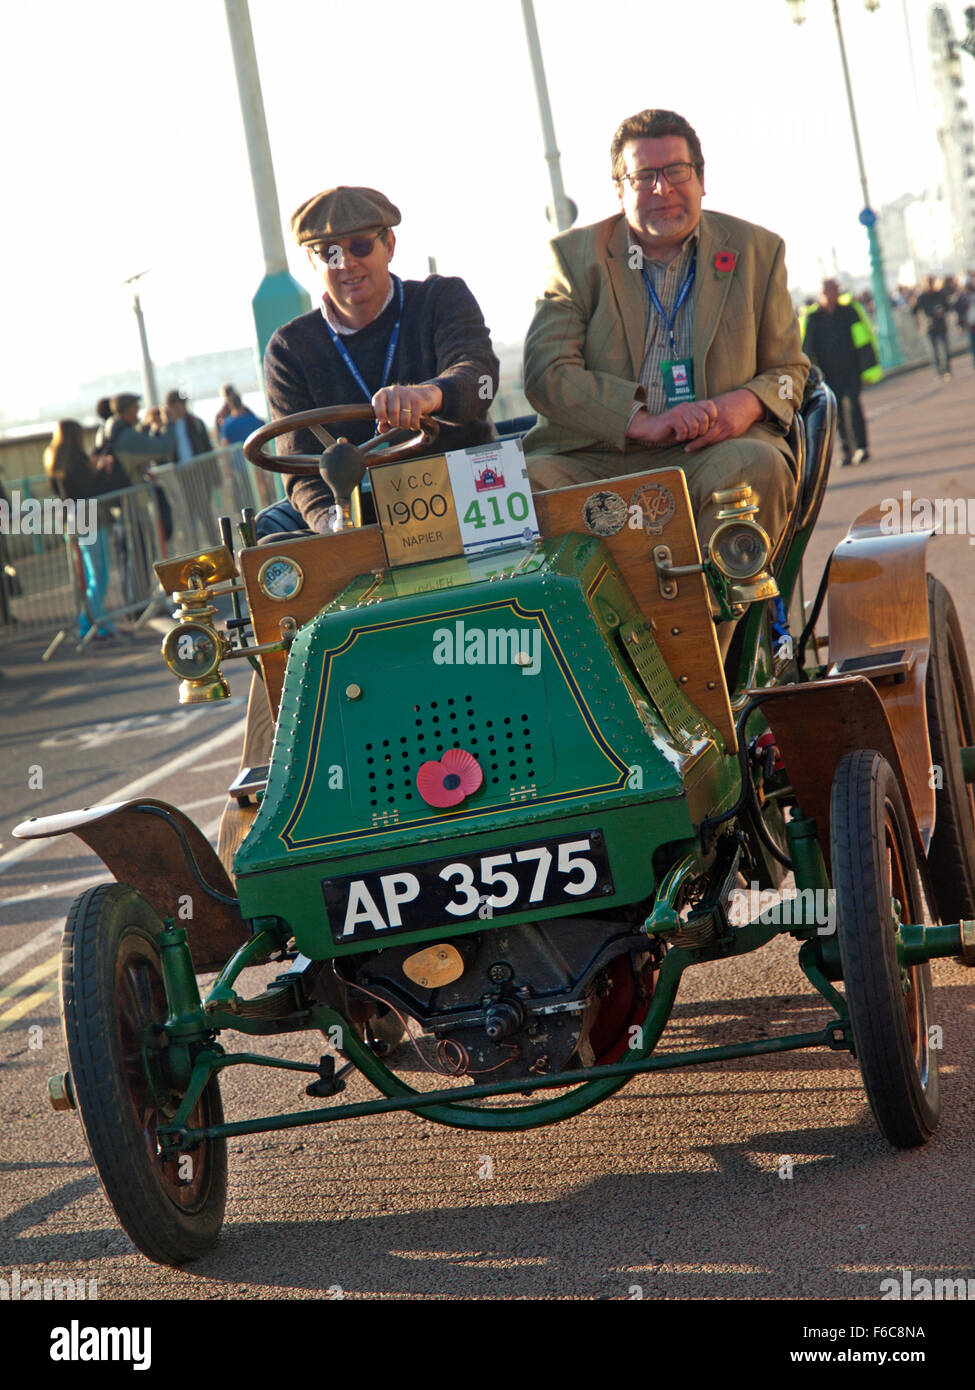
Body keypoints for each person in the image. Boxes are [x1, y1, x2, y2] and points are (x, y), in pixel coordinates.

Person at [522, 108, 808, 598]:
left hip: (710, 452)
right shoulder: (575, 257)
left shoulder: (757, 250)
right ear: (619, 189)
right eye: (644, 176)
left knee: (755, 467)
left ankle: (710, 658)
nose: (662, 189)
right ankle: (580, 655)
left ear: (701, 179)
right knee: (521, 490)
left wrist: (747, 404)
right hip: (598, 454)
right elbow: (546, 373)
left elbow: (788, 372)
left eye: (676, 171)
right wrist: (639, 420)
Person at [260, 184, 500, 535]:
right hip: (364, 525)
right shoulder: (289, 350)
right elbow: (301, 468)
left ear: (389, 245)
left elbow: (479, 379)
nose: (348, 264)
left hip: (469, 493)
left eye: (360, 245)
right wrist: (336, 526)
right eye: (331, 253)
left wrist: (427, 396)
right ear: (313, 261)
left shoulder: (441, 299)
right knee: (269, 542)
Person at [43, 420, 116, 640]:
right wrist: (101, 470)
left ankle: (99, 621)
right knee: (100, 574)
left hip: (72, 520)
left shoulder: (54, 459)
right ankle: (89, 622)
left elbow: (57, 489)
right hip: (90, 518)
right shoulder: (76, 460)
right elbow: (90, 488)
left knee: (89, 574)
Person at [801, 279, 879, 467]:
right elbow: (806, 349)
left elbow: (862, 340)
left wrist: (867, 366)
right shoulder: (813, 318)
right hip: (827, 374)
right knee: (835, 414)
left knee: (853, 406)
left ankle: (862, 447)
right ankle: (846, 451)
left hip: (851, 369)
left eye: (833, 290)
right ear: (821, 293)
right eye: (826, 291)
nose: (830, 294)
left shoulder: (848, 312)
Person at [912, 275, 952, 379]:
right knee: (934, 352)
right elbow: (914, 311)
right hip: (929, 327)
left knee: (945, 350)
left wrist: (942, 311)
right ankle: (939, 372)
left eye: (931, 282)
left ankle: (947, 369)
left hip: (941, 325)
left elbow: (948, 306)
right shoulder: (921, 297)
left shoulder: (939, 294)